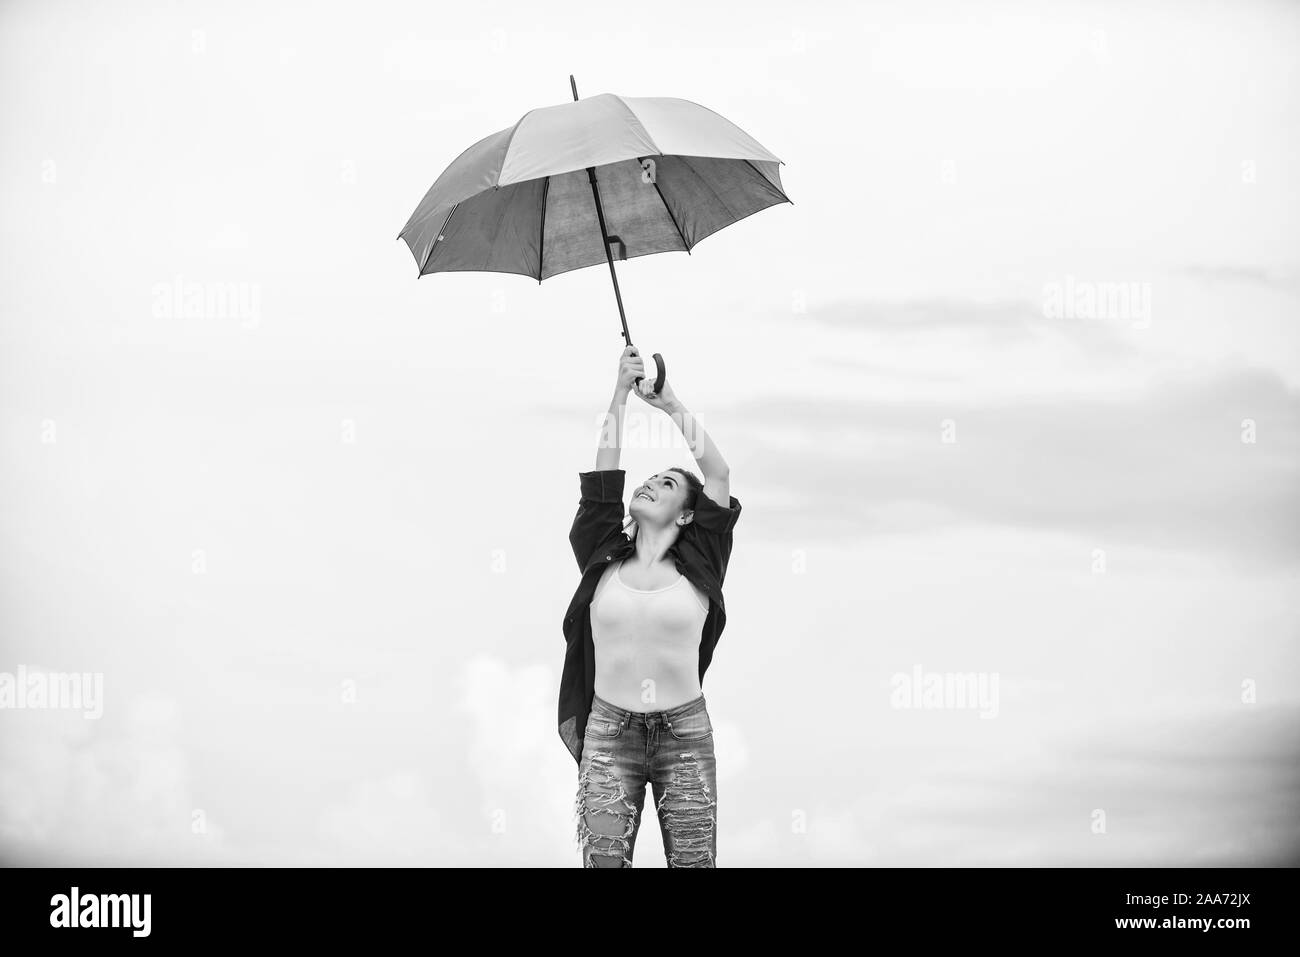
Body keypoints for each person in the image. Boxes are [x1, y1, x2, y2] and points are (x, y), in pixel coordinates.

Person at [559, 345, 741, 867]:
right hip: (609, 733)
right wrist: (619, 393)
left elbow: (720, 476)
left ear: (687, 516)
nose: (648, 484)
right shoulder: (604, 554)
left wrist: (669, 403)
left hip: (684, 735)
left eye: (666, 485)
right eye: (649, 479)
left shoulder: (701, 562)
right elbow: (603, 480)